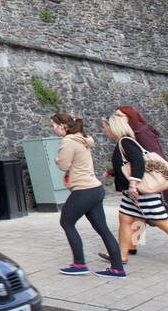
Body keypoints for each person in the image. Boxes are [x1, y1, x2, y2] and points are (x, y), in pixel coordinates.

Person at [102, 114, 168, 270]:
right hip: (133, 194)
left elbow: (138, 163)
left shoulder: (126, 142)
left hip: (142, 193)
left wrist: (133, 184)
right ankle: (120, 256)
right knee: (125, 219)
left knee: (165, 224)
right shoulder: (124, 143)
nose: (104, 131)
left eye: (105, 127)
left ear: (112, 128)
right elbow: (127, 166)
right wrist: (113, 173)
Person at [51, 114, 124, 277]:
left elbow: (63, 164)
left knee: (66, 222)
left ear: (62, 126)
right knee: (103, 229)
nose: (53, 129)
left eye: (54, 125)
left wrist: (57, 160)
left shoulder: (68, 141)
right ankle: (117, 268)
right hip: (95, 189)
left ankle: (79, 264)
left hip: (83, 189)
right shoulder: (83, 138)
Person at [117, 105, 168, 245]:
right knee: (138, 214)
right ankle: (131, 246)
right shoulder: (133, 133)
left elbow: (153, 157)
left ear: (129, 117)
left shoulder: (142, 132)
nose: (117, 119)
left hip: (158, 182)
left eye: (120, 116)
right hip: (151, 180)